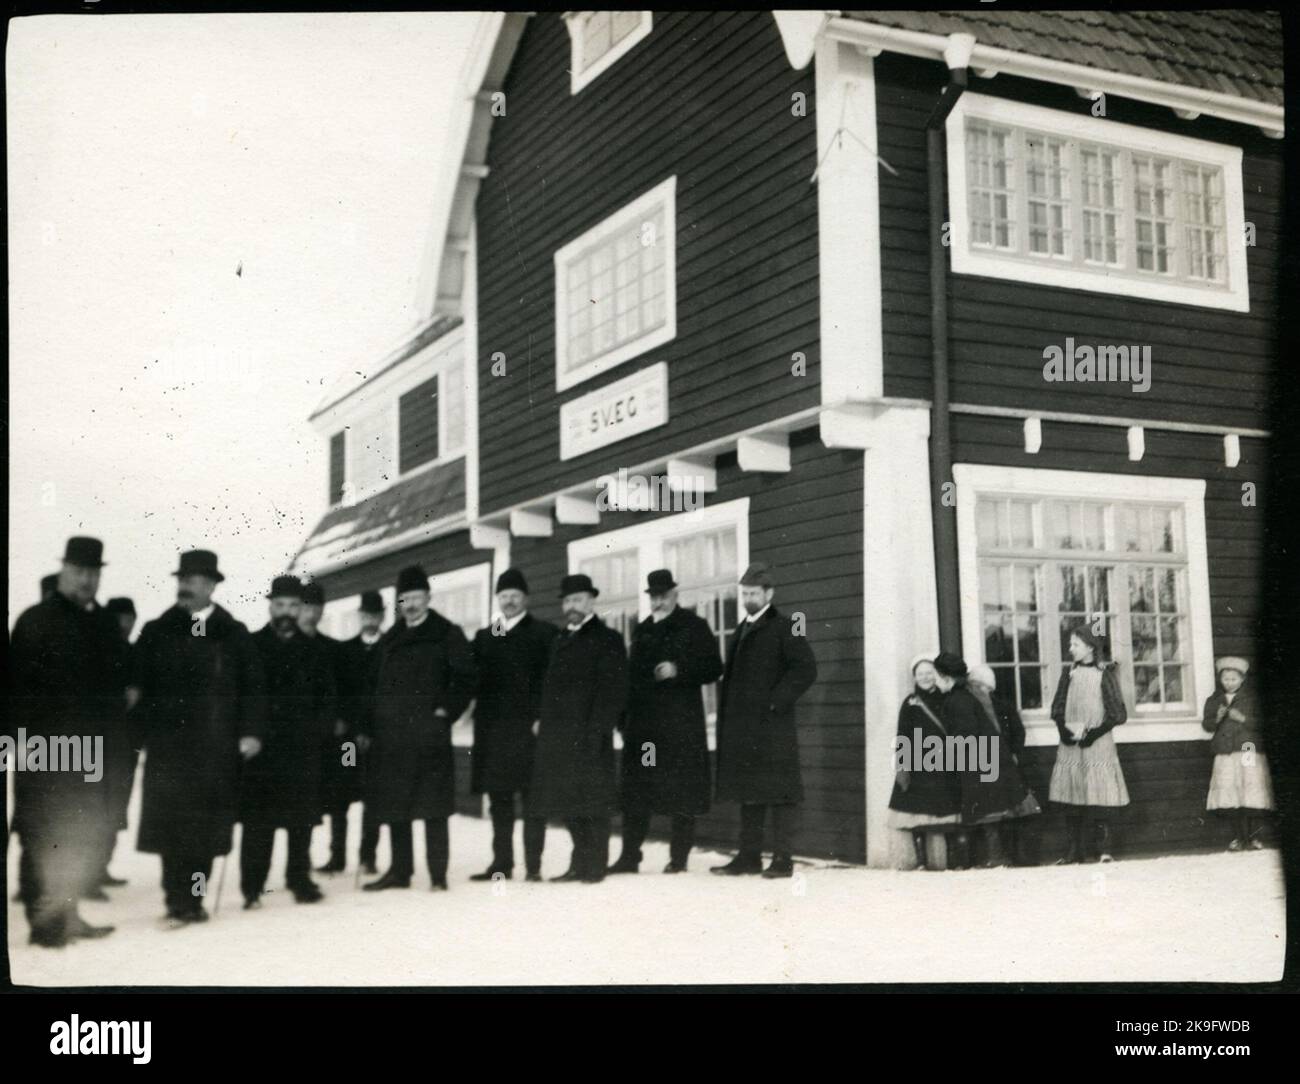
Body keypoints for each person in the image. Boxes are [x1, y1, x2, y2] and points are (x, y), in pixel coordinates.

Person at [132, 549, 265, 927]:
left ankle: (193, 900)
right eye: (181, 581)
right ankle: (176, 900)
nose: (183, 588)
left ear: (210, 586)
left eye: (190, 582)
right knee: (171, 829)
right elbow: (138, 684)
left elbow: (254, 689)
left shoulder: (233, 634)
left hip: (214, 750)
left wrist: (251, 733)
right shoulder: (158, 630)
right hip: (170, 751)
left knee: (203, 832)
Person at [10, 537, 130, 947]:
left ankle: (70, 913)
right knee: (42, 836)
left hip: (90, 752)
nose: (87, 580)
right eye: (79, 572)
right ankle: (45, 924)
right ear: (63, 572)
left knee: (80, 834)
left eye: (94, 573)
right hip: (44, 751)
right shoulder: (35, 621)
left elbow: (118, 684)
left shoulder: (102, 625)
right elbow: (14, 692)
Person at [361, 565, 476, 892]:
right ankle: (400, 871)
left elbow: (466, 677)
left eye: (415, 597)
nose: (410, 605)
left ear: (428, 597)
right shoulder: (390, 639)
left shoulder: (447, 633)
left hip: (428, 735)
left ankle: (438, 875)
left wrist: (446, 711)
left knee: (433, 807)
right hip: (391, 737)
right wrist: (370, 725)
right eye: (404, 599)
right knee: (396, 805)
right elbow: (371, 685)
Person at [609, 570, 722, 874]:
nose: (658, 601)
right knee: (638, 788)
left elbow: (714, 667)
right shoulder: (642, 629)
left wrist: (678, 669)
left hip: (680, 728)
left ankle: (679, 858)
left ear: (675, 595)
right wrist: (624, 720)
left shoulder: (694, 626)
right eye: (654, 596)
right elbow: (631, 677)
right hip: (645, 731)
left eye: (663, 595)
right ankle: (630, 855)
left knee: (682, 790)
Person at [712, 562, 818, 879]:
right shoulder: (740, 629)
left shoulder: (787, 626)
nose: (748, 598)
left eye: (754, 593)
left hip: (773, 729)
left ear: (768, 594)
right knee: (749, 793)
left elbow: (805, 669)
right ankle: (748, 857)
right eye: (744, 592)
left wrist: (775, 702)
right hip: (743, 730)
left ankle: (783, 860)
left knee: (779, 794)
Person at [240, 576, 336, 908]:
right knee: (258, 824)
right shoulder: (251, 645)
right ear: (270, 606)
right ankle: (252, 887)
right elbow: (241, 696)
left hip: (302, 749)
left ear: (301, 609)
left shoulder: (315, 651)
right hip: (263, 751)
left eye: (294, 605)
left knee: (301, 821)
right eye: (280, 605)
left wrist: (319, 732)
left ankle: (299, 879)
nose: (287, 612)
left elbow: (327, 699)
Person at [531, 573, 628, 884]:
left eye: (578, 599)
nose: (572, 606)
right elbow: (548, 687)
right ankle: (578, 861)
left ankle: (595, 865)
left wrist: (599, 728)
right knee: (568, 801)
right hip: (558, 736)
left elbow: (614, 690)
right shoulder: (558, 641)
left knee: (594, 803)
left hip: (590, 734)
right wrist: (542, 720)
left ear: (591, 601)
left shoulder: (607, 639)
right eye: (568, 600)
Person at [469, 569, 558, 882]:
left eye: (514, 595)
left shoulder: (545, 634)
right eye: (503, 596)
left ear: (526, 599)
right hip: (494, 735)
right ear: (498, 599)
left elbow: (554, 682)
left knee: (533, 801)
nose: (508, 601)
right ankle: (501, 864)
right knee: (500, 802)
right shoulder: (486, 636)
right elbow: (470, 677)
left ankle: (533, 867)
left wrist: (544, 717)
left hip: (530, 733)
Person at [933, 655, 1037, 868]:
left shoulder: (957, 701)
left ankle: (996, 858)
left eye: (937, 677)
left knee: (989, 811)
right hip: (986, 760)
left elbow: (965, 735)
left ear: (947, 679)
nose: (935, 682)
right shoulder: (964, 697)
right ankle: (996, 857)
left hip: (980, 763)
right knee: (991, 811)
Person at [1048, 624, 1129, 863]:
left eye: (1075, 644)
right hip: (1071, 745)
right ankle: (1074, 851)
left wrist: (1093, 734)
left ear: (1090, 648)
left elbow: (1118, 714)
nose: (1070, 648)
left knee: (1100, 797)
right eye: (1070, 644)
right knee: (1073, 797)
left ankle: (1104, 850)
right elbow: (1058, 707)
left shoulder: (1104, 675)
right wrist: (1063, 730)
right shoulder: (1068, 674)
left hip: (1097, 744)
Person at [320, 590, 386, 875]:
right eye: (365, 615)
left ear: (382, 616)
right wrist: (345, 723)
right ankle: (337, 857)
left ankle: (367, 856)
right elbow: (339, 693)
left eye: (375, 615)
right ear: (359, 617)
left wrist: (371, 729)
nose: (370, 620)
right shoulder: (344, 651)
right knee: (341, 794)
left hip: (378, 739)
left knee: (373, 796)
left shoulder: (390, 650)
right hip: (348, 742)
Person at [886, 655, 962, 871]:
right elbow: (903, 736)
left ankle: (948, 859)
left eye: (930, 673)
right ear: (915, 678)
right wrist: (902, 766)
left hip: (944, 762)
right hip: (920, 764)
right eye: (921, 674)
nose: (926, 678)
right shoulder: (910, 703)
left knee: (947, 812)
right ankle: (921, 860)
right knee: (915, 813)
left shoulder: (947, 699)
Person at [87, 596, 140, 894]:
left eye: (129, 617)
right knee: (96, 808)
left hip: (126, 746)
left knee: (116, 808)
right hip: (98, 745)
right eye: (119, 617)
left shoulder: (135, 652)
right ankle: (87, 875)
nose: (125, 623)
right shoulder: (99, 653)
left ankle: (101, 868)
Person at [1203, 656, 1273, 850]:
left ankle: (1252, 838)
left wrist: (1241, 718)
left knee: (1250, 789)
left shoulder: (1252, 698)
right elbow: (1207, 725)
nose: (1229, 683)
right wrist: (1216, 719)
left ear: (1242, 679)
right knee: (1230, 793)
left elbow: (1263, 724)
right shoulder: (1214, 700)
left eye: (1233, 679)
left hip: (1247, 748)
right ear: (1220, 679)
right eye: (1226, 679)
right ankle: (1237, 838)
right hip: (1225, 751)